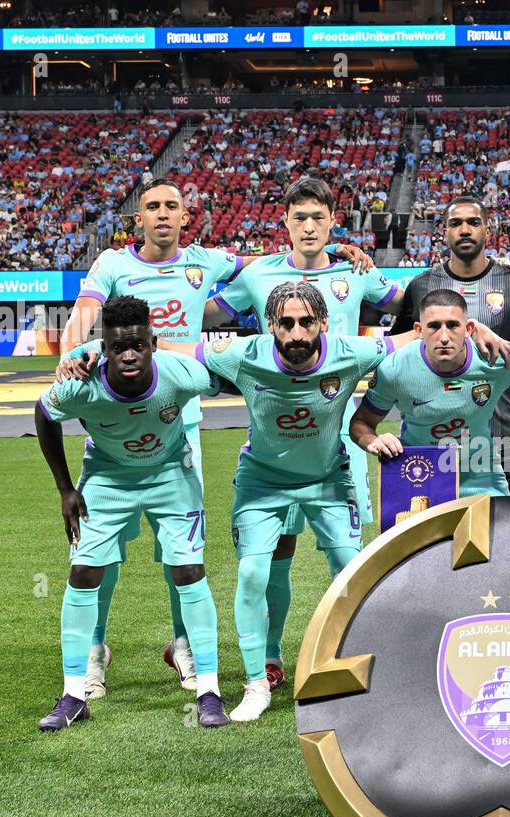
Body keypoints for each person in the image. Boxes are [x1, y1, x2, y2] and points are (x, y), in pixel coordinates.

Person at [59, 177, 372, 693]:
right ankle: (95, 649)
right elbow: (83, 316)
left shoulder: (209, 261)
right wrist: (72, 357)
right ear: (138, 218)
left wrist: (337, 249)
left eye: (171, 206)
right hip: (118, 424)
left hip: (181, 427)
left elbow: (279, 259)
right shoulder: (112, 264)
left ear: (188, 217)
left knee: (181, 549)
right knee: (100, 550)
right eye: (151, 207)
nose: (162, 214)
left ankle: (182, 645)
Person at [209, 176, 396, 686]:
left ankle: (360, 655)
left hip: (335, 441)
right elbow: (201, 314)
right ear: (286, 223)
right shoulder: (258, 274)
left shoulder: (357, 271)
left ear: (334, 219)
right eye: (300, 218)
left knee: (351, 560)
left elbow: (412, 303)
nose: (310, 226)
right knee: (278, 557)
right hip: (276, 441)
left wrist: (487, 288)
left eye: (319, 217)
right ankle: (270, 659)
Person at [35, 296, 229, 730]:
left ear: (152, 343)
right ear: (103, 348)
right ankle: (72, 694)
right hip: (107, 476)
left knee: (189, 571)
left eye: (137, 346)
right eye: (118, 347)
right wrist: (66, 488)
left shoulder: (179, 374)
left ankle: (210, 691)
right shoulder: (80, 384)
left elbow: (227, 375)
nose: (128, 355)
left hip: (170, 475)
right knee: (83, 572)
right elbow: (43, 413)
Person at [386, 196, 510, 496]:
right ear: (444, 231)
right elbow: (396, 354)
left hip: (503, 440)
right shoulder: (421, 287)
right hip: (433, 444)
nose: (465, 230)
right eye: (456, 223)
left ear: (488, 230)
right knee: (432, 539)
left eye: (473, 222)